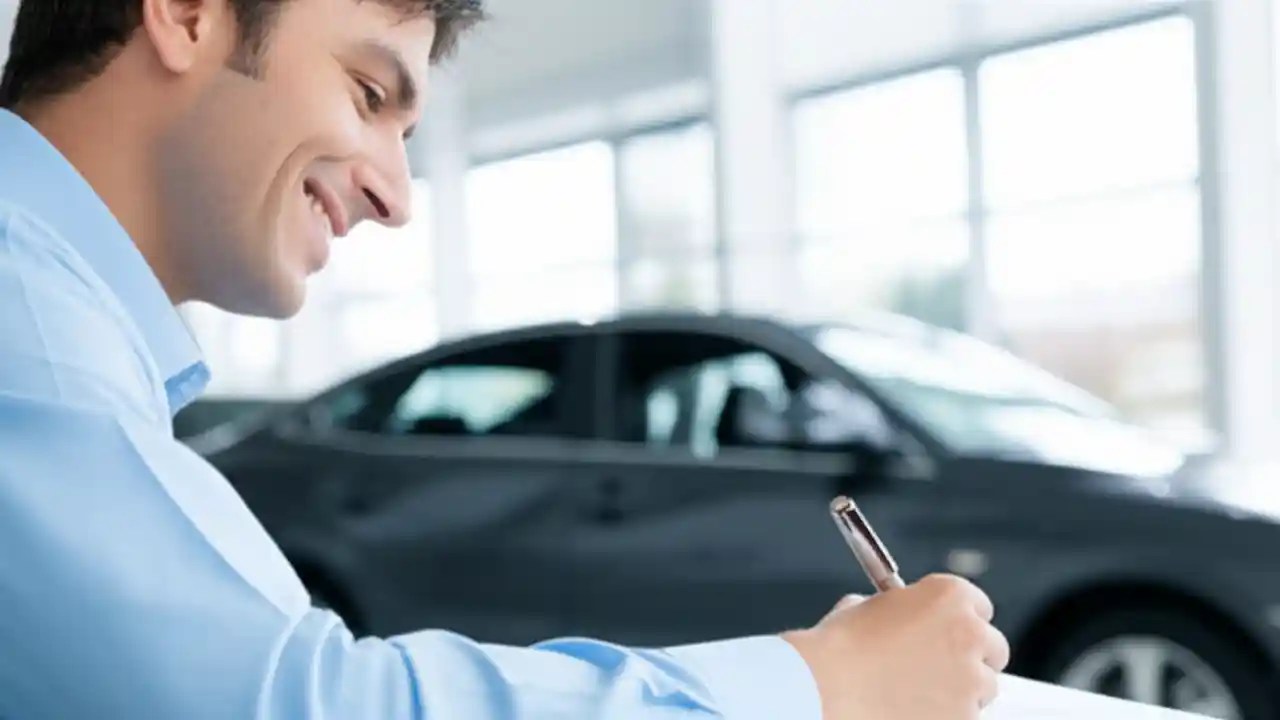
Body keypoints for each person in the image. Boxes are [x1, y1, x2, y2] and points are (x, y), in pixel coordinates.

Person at [0, 1, 1010, 717]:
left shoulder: (59, 324)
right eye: (366, 92)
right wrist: (823, 687)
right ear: (185, 12)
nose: (396, 194)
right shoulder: (24, 328)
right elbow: (296, 703)